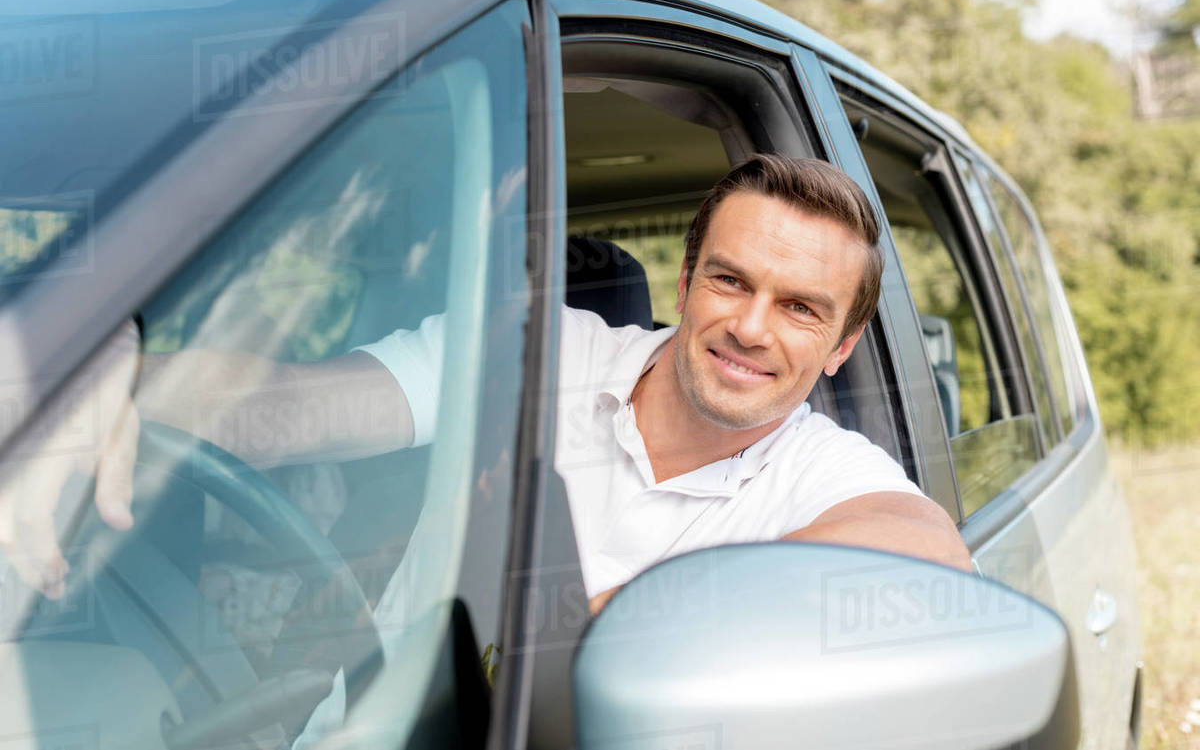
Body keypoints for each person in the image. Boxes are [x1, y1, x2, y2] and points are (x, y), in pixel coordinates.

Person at [0, 154, 969, 616]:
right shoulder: (536, 347)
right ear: (683, 284)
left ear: (843, 347)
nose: (751, 327)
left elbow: (928, 557)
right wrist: (98, 381)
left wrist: (617, 623)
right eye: (729, 280)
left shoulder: (824, 471)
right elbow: (279, 408)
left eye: (801, 309)